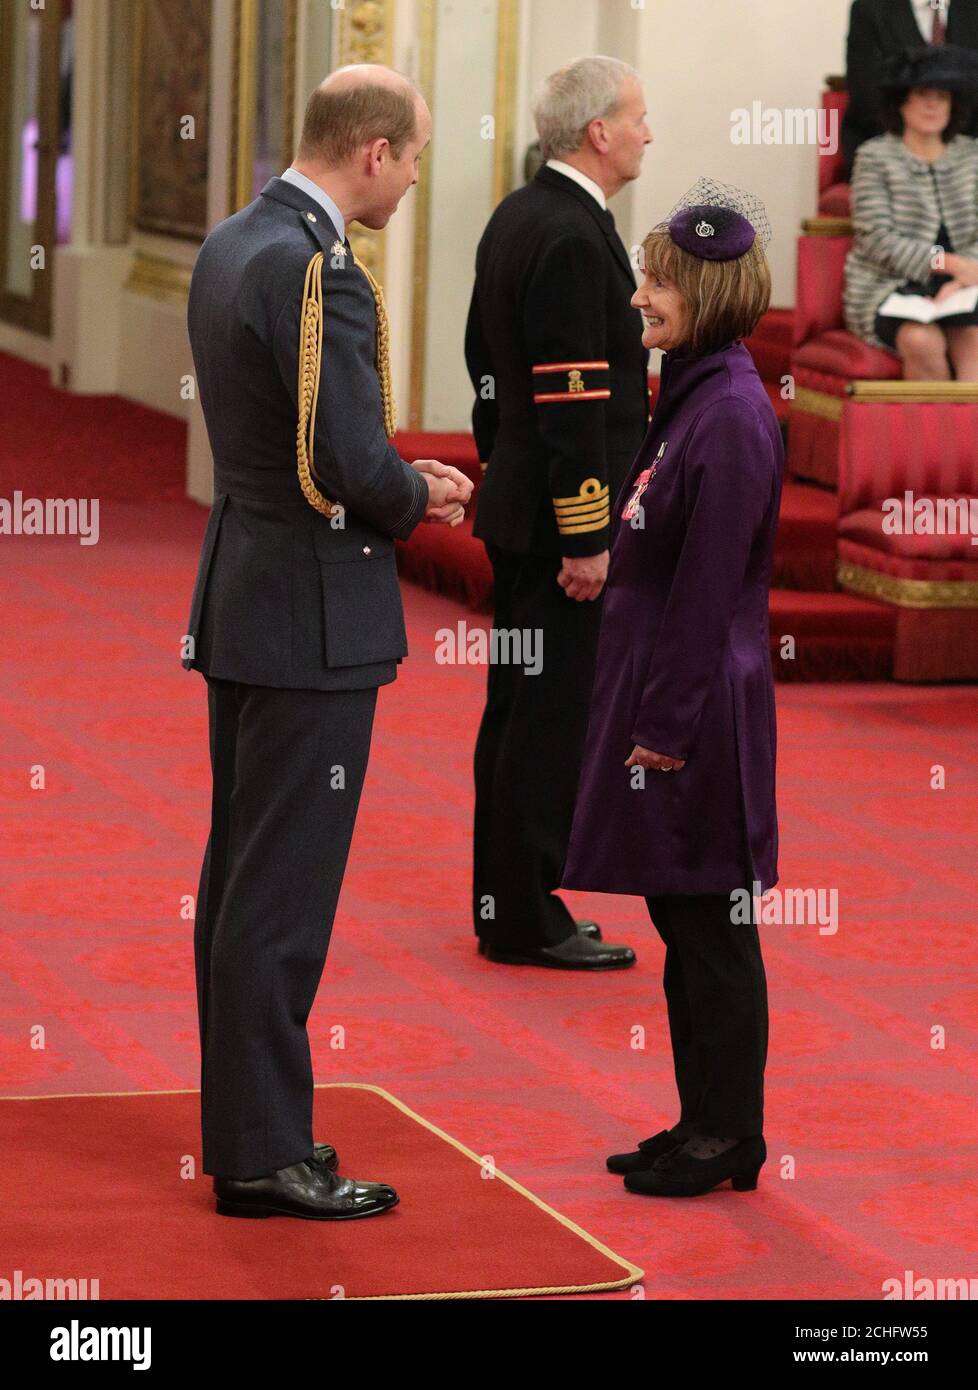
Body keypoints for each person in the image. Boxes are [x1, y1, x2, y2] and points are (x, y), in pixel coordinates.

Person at [183, 65, 472, 1220]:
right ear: (373, 151)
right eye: (410, 159)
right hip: (310, 610)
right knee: (283, 893)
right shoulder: (322, 272)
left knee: (240, 874)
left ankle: (249, 1125)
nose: (410, 180)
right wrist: (419, 495)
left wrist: (389, 476)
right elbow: (346, 463)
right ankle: (264, 1153)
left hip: (248, 589)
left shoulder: (233, 239)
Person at [560, 179, 784, 1197]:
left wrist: (663, 726)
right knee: (681, 920)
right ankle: (701, 1119)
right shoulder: (694, 392)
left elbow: (703, 595)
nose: (641, 296)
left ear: (707, 292)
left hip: (697, 715)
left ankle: (731, 1133)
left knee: (711, 926)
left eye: (661, 282)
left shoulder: (731, 416)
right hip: (663, 696)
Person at [464, 56, 652, 971]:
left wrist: (500, 463)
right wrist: (589, 536)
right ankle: (527, 917)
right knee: (545, 720)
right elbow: (576, 401)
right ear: (599, 133)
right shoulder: (576, 237)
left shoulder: (519, 212)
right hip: (556, 528)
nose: (649, 133)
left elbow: (483, 367)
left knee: (512, 711)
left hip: (517, 507)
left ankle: (503, 902)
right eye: (639, 119)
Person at [844, 44, 978, 376]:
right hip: (889, 285)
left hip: (965, 283)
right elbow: (877, 240)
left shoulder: (972, 156)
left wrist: (966, 276)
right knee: (922, 341)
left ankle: (966, 429)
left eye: (942, 96)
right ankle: (933, 428)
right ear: (901, 101)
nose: (933, 104)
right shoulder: (875, 157)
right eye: (922, 94)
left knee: (973, 337)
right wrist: (949, 263)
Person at [842, 0, 978, 176]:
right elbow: (866, 95)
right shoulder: (869, 9)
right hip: (889, 149)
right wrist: (919, 150)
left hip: (968, 148)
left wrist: (954, 153)